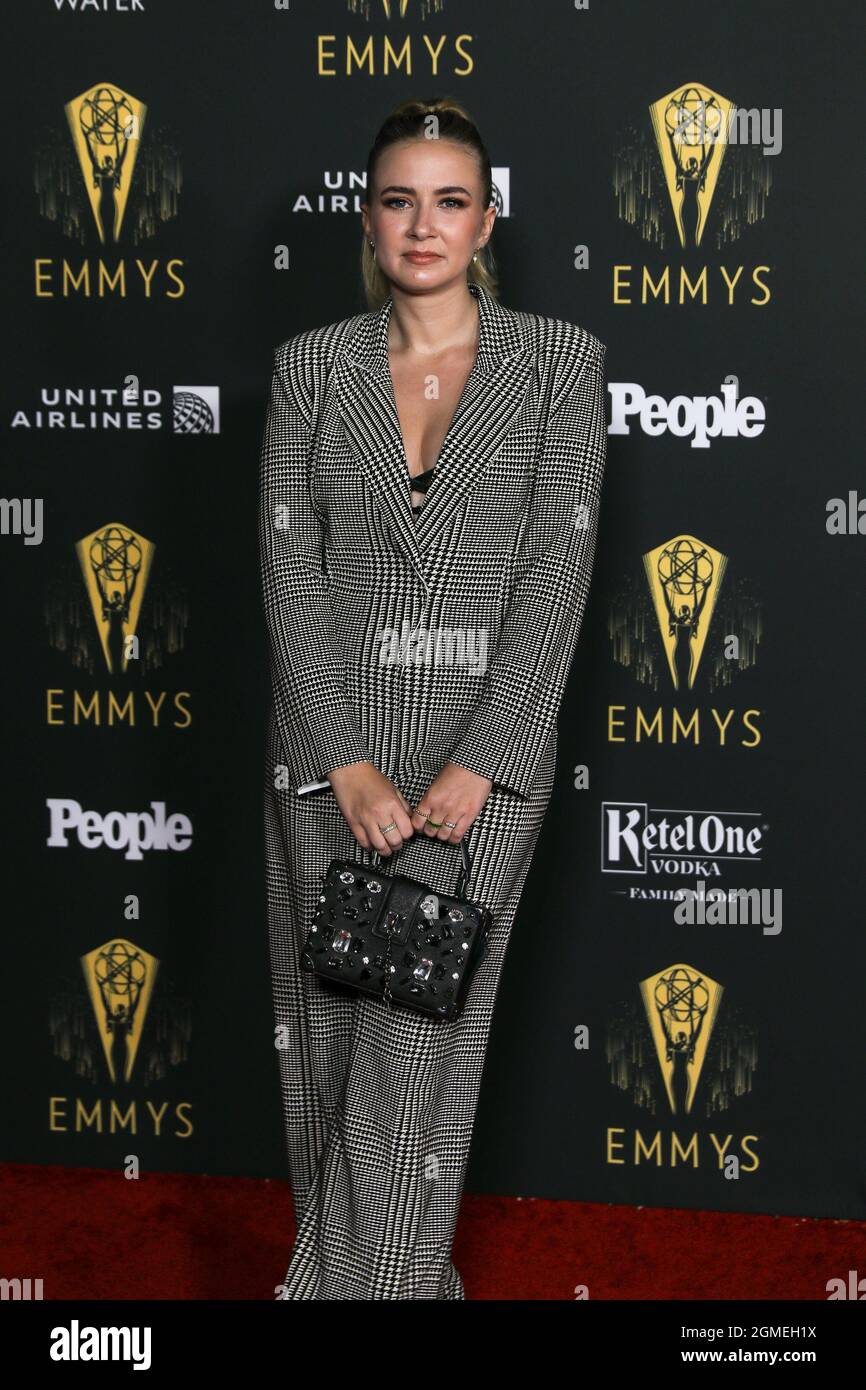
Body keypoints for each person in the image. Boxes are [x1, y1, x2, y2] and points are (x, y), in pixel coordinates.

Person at [259, 96, 607, 1300]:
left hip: (477, 769)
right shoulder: (309, 370)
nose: (423, 224)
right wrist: (344, 760)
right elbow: (287, 574)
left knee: (416, 1050)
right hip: (329, 760)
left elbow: (556, 571)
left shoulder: (559, 364)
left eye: (448, 200)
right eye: (399, 200)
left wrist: (490, 753)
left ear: (485, 219)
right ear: (368, 218)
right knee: (329, 1046)